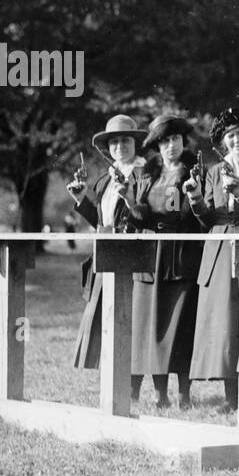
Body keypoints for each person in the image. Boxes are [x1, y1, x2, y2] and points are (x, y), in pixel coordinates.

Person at [183, 105, 239, 411]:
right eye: (230, 136)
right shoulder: (215, 170)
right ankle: (232, 397)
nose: (236, 140)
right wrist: (194, 197)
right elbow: (208, 218)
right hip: (219, 249)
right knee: (225, 325)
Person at [125, 114, 202, 410]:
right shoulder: (147, 174)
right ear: (157, 145)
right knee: (151, 325)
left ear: (184, 141)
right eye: (165, 141)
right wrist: (130, 203)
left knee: (181, 325)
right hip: (150, 256)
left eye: (176, 139)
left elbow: (195, 215)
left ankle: (184, 393)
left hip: (182, 253)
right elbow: (139, 215)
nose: (172, 145)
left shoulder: (195, 170)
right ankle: (160, 393)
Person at [67, 114, 147, 373]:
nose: (120, 147)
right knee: (105, 321)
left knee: (131, 321)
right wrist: (82, 200)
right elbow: (103, 222)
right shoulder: (106, 179)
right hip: (106, 254)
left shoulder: (145, 174)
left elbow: (145, 216)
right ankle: (113, 377)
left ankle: (132, 382)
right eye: (114, 142)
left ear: (136, 144)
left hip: (134, 256)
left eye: (125, 141)